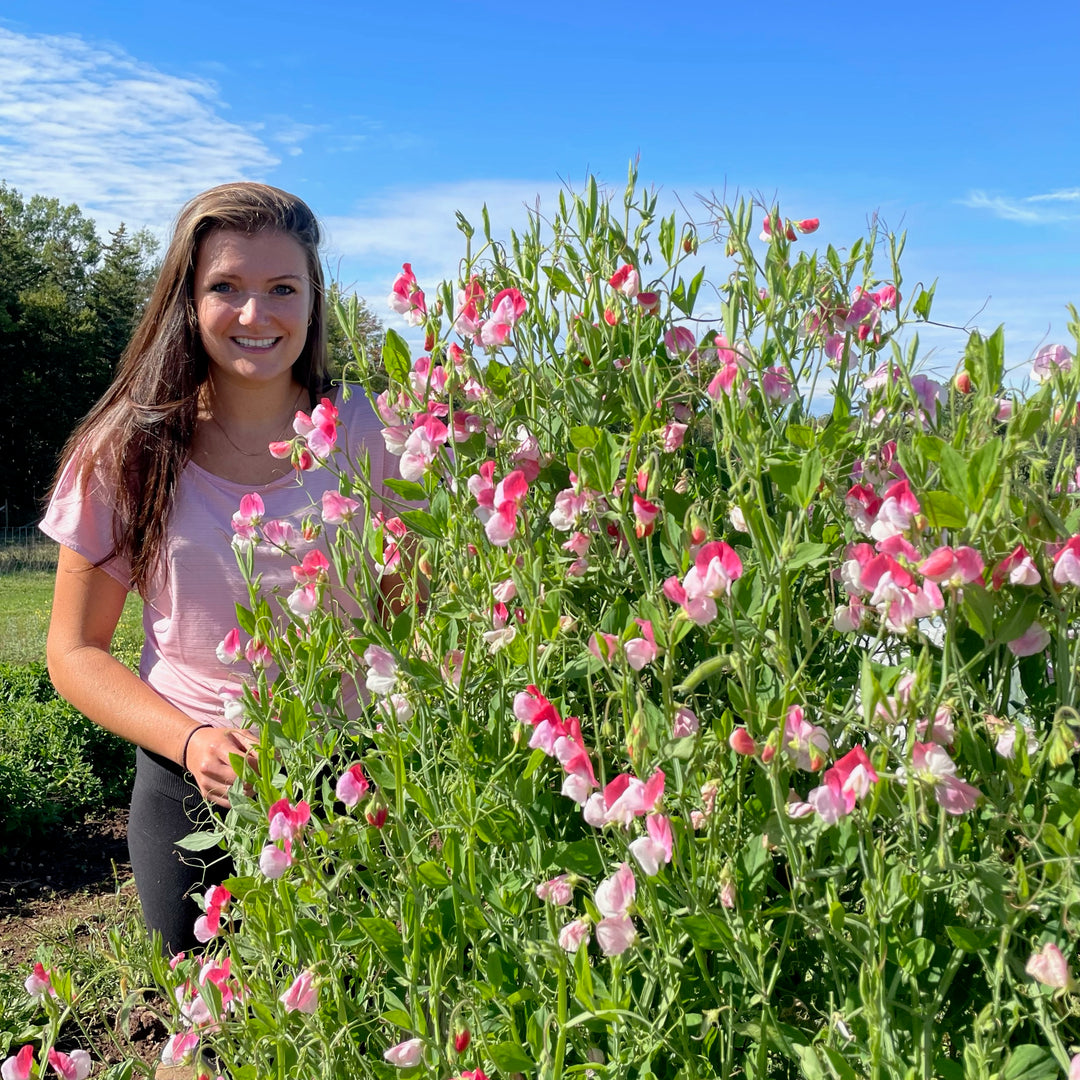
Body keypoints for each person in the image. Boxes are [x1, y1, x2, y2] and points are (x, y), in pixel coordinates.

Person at [40, 183, 395, 953]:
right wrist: (194, 740)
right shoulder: (127, 450)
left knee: (352, 1030)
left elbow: (416, 617)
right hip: (191, 774)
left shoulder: (373, 433)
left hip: (356, 770)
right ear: (187, 300)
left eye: (282, 289)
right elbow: (73, 652)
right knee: (207, 1037)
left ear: (313, 301)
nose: (255, 314)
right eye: (225, 287)